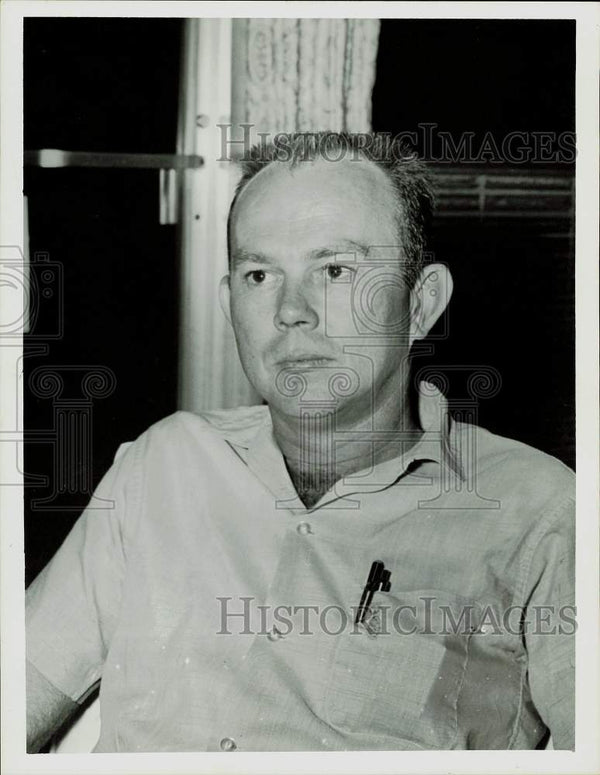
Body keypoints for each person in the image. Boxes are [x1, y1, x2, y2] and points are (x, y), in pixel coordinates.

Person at [26, 132, 575, 752]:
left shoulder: (541, 513)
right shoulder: (165, 464)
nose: (292, 310)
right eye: (260, 274)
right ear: (231, 305)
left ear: (421, 305)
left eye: (335, 270)